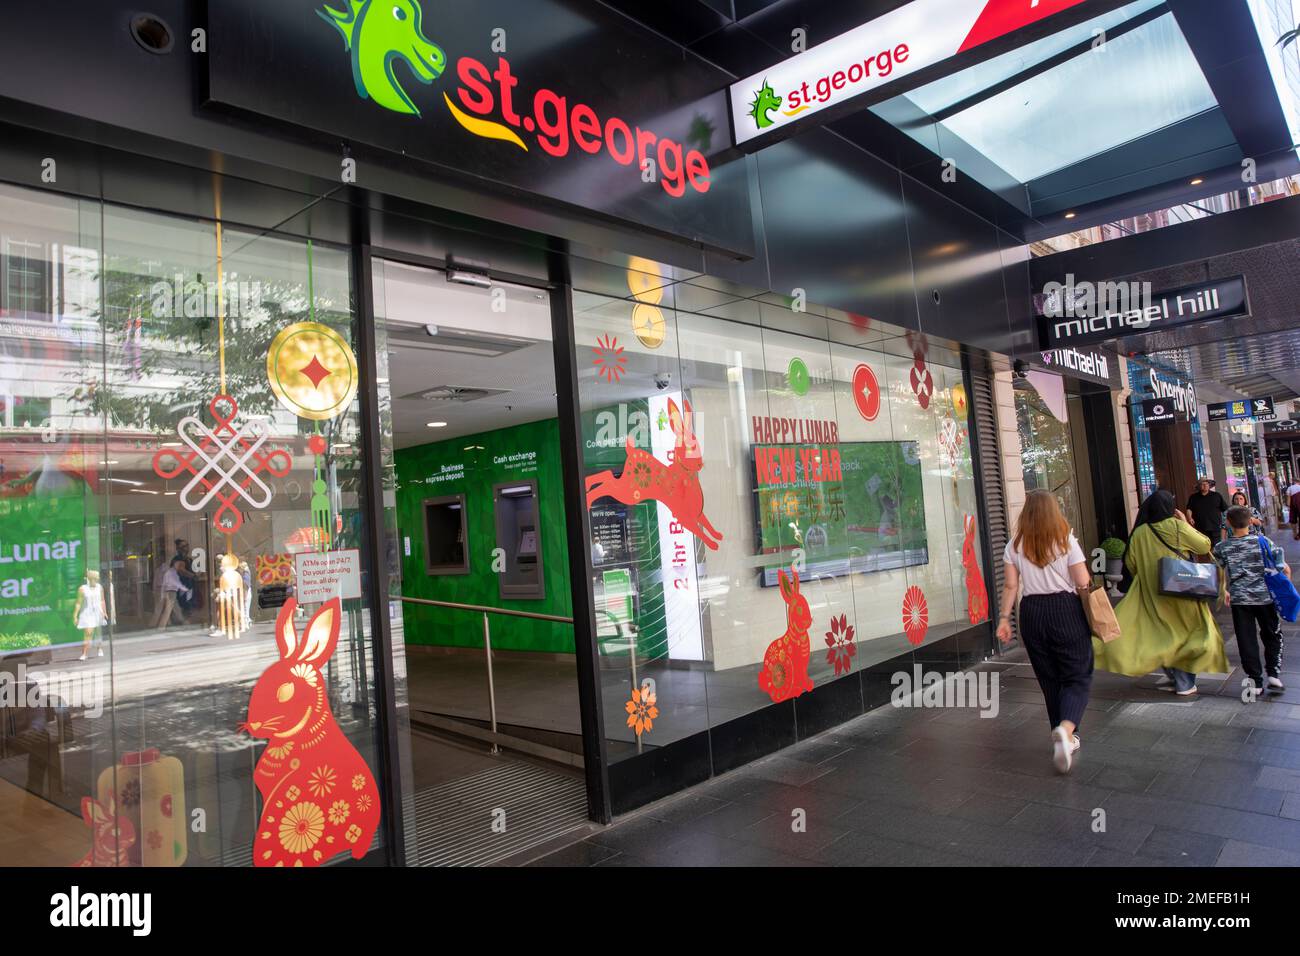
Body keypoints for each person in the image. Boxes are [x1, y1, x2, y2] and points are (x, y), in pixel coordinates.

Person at [995, 490, 1093, 774]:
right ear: (1053, 511)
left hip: (1032, 613)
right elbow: (1083, 581)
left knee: (1049, 678)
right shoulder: (1066, 540)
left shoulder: (1015, 545)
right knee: (1078, 674)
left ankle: (1066, 737)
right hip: (1066, 610)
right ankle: (1065, 728)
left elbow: (1011, 586)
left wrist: (1004, 619)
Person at [1096, 489, 1229, 695]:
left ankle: (1177, 677)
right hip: (1181, 589)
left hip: (1151, 593)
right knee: (1188, 633)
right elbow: (1204, 546)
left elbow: (1130, 563)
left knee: (1163, 634)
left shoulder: (1140, 532)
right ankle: (1184, 682)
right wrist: (1184, 522)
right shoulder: (1176, 527)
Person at [1213, 505, 1289, 697]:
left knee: (1246, 639)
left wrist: (1224, 590)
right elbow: (1281, 567)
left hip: (1240, 600)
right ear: (1250, 522)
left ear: (1228, 523)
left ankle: (1255, 681)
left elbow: (1218, 571)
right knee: (1272, 634)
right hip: (1265, 598)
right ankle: (1273, 673)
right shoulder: (1263, 541)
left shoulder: (1223, 547)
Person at [72, 569, 107, 661]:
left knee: (98, 632)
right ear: (91, 578)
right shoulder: (82, 589)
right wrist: (75, 615)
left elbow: (102, 600)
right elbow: (78, 603)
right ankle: (84, 653)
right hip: (87, 613)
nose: (98, 579)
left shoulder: (100, 587)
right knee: (88, 633)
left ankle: (99, 648)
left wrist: (104, 611)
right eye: (96, 577)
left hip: (97, 613)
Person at [1186, 478, 1227, 546]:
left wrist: (1224, 524)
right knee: (1204, 548)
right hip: (1200, 528)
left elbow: (1225, 510)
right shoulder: (1193, 497)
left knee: (1217, 547)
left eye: (1207, 483)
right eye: (1202, 484)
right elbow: (1189, 509)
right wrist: (1190, 518)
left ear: (1209, 485)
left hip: (1216, 527)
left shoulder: (1217, 495)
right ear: (1199, 486)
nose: (1205, 485)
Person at [153, 557, 192, 629]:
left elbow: (165, 584)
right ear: (175, 564)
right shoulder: (172, 572)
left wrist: (162, 593)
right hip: (171, 592)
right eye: (180, 565)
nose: (181, 567)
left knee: (176, 609)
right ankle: (161, 627)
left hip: (169, 592)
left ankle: (184, 622)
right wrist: (185, 589)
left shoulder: (170, 572)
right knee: (167, 610)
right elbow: (176, 583)